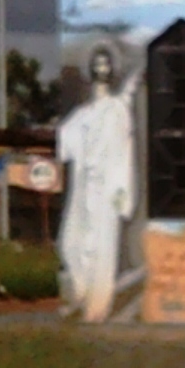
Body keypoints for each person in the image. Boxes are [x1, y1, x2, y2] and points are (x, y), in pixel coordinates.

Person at [56, 44, 136, 321]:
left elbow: (124, 151)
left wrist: (122, 190)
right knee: (71, 241)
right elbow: (63, 144)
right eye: (97, 64)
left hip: (107, 185)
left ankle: (96, 308)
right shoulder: (83, 114)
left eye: (106, 64)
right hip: (84, 183)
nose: (101, 70)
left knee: (101, 245)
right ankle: (80, 293)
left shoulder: (116, 109)